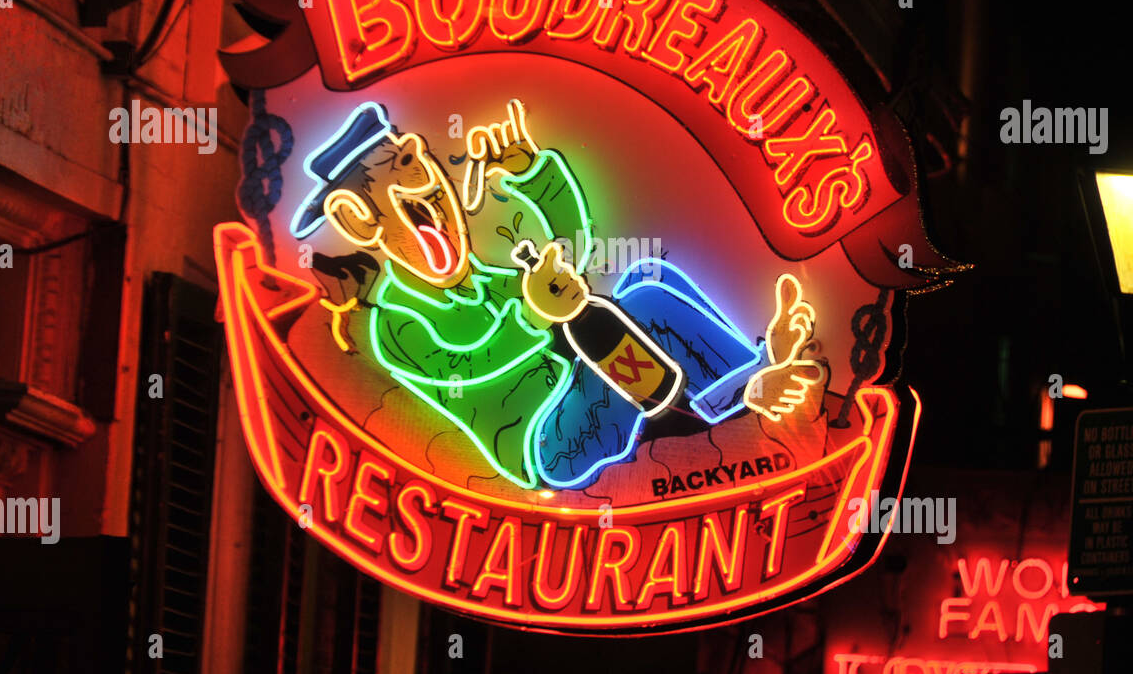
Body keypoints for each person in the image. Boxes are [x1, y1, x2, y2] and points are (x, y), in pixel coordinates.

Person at [293, 99, 825, 490]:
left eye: (421, 163)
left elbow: (569, 255)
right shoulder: (395, 321)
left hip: (580, 392)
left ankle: (745, 373)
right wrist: (529, 315)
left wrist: (535, 175)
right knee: (638, 310)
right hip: (550, 445)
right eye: (401, 168)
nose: (429, 179)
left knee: (647, 277)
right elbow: (462, 366)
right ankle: (745, 393)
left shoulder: (482, 278)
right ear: (356, 217)